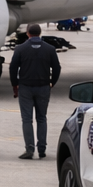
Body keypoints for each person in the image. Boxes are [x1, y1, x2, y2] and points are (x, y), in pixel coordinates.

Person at [10, 23, 62, 159]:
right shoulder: (49, 49)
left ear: (27, 33)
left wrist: (15, 85)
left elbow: (13, 68)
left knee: (27, 119)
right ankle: (42, 148)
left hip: (25, 87)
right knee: (41, 118)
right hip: (43, 87)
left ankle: (29, 149)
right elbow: (57, 68)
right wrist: (52, 83)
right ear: (40, 33)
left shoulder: (20, 49)